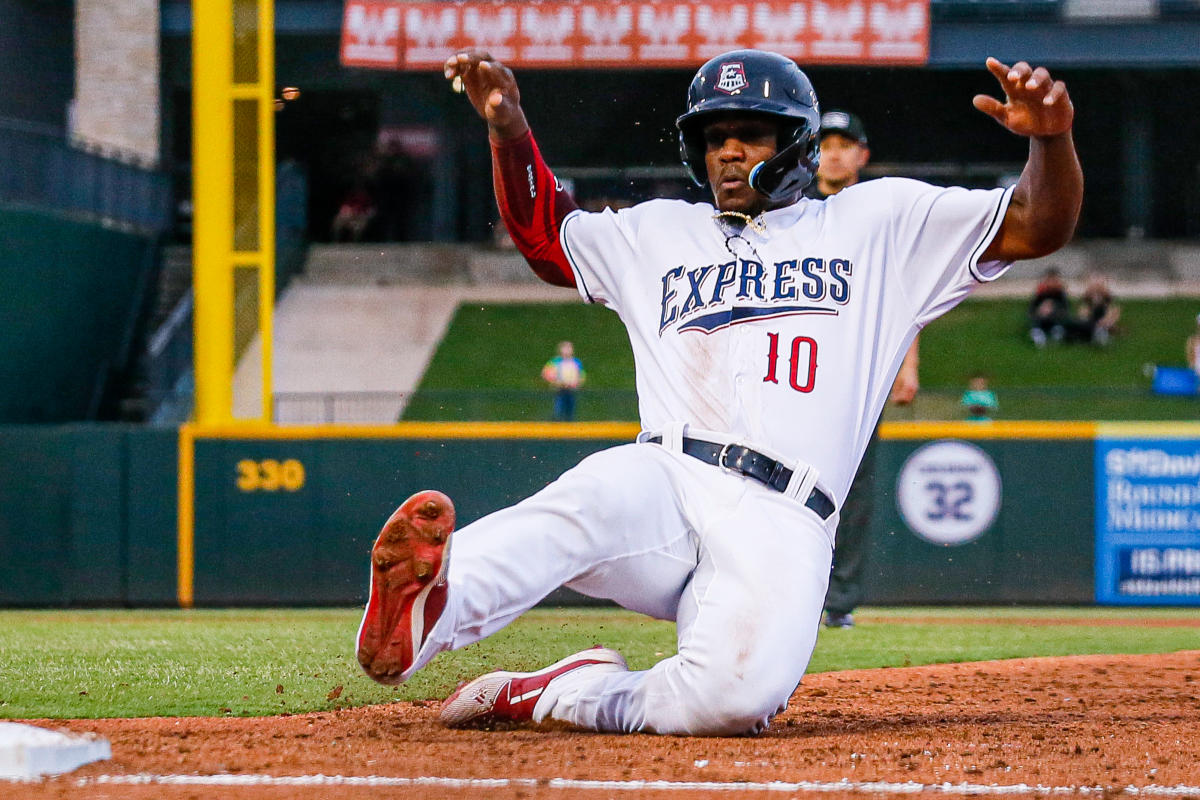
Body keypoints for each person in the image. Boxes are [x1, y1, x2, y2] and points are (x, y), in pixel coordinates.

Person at [355, 49, 1082, 736]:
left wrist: (1051, 141)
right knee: (583, 505)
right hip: (667, 478)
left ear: (796, 143)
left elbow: (1036, 224)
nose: (727, 150)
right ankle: (437, 601)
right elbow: (549, 237)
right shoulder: (659, 231)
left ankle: (563, 692)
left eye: (749, 133)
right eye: (712, 136)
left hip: (784, 516)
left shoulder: (877, 224)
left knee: (732, 702)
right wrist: (510, 129)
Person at [804, 109, 919, 628]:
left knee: (849, 493)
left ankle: (838, 603)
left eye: (845, 143)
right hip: (793, 365)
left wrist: (907, 363)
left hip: (858, 374)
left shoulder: (878, 216)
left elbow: (907, 294)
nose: (834, 151)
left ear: (862, 155)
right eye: (826, 142)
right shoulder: (789, 208)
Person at [541, 340, 586, 421]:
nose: (567, 350)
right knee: (558, 410)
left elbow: (581, 375)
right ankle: (556, 425)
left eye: (569, 348)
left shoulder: (576, 362)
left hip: (571, 390)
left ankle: (568, 426)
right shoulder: (556, 361)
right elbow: (546, 373)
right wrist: (554, 381)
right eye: (565, 348)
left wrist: (577, 383)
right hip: (560, 390)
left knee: (570, 411)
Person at [1027, 267, 1071, 347]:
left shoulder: (1060, 294)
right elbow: (1032, 310)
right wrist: (1040, 310)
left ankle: (1057, 335)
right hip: (1041, 319)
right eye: (1049, 280)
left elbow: (1065, 310)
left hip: (1056, 319)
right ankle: (1038, 335)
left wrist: (1054, 309)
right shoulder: (1041, 294)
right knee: (1037, 324)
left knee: (1060, 325)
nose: (1051, 282)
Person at [1075, 271, 1121, 345]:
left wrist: (1106, 320)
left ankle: (1099, 333)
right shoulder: (1086, 300)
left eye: (1099, 284)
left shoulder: (1108, 299)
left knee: (1104, 326)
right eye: (1094, 284)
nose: (1097, 287)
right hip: (1090, 322)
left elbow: (1113, 311)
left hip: (1103, 322)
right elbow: (1082, 313)